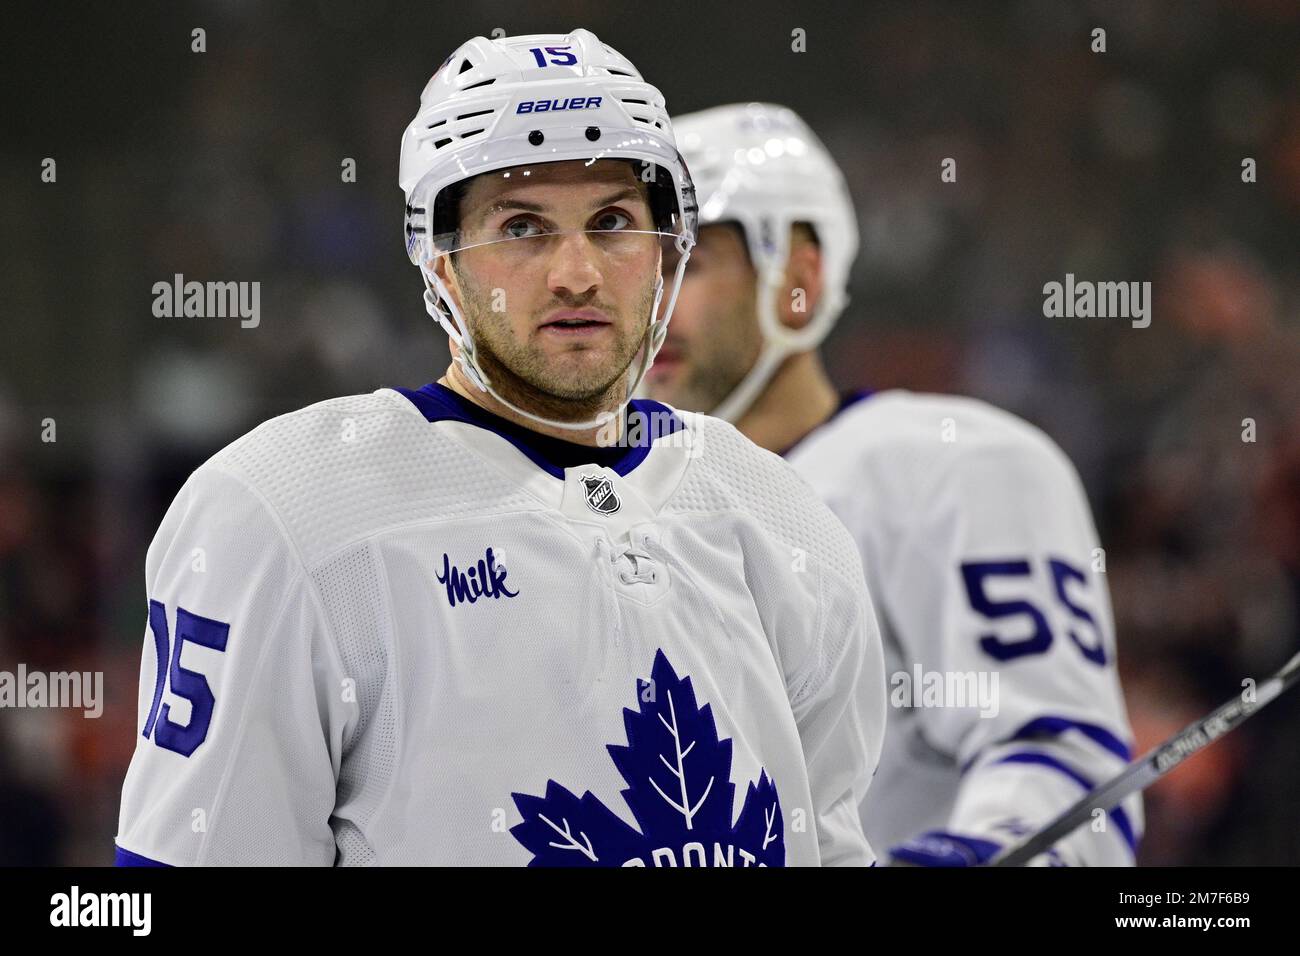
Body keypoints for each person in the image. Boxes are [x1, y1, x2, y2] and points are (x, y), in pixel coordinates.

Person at [115, 32, 886, 867]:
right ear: (440, 261)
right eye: (523, 226)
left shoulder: (779, 516)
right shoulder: (284, 514)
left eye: (614, 222)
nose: (578, 273)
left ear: (669, 250)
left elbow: (829, 844)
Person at [646, 101, 1142, 865]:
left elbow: (1066, 764)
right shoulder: (601, 515)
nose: (648, 305)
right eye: (635, 268)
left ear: (797, 276)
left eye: (688, 265)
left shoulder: (951, 468)